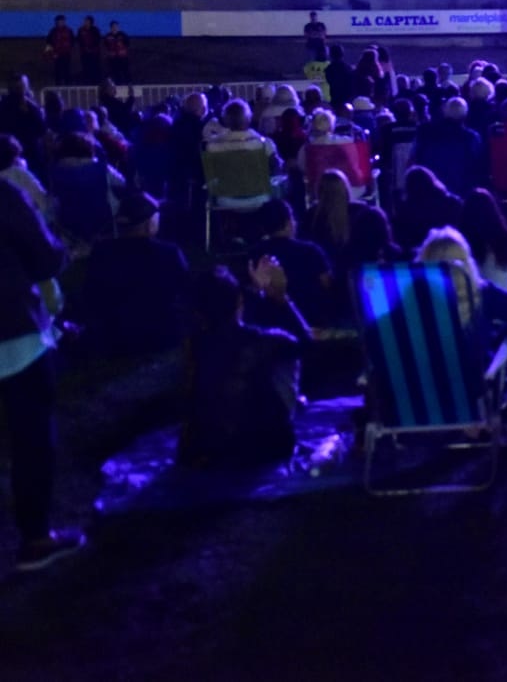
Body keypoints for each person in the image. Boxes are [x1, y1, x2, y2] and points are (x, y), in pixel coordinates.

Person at [0, 177, 82, 571]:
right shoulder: (4, 195)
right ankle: (35, 538)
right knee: (30, 435)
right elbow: (45, 256)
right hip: (11, 331)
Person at [179, 263, 307, 468]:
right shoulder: (274, 342)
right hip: (266, 448)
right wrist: (281, 298)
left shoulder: (194, 348)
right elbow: (305, 344)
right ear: (239, 300)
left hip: (206, 452)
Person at [80, 191, 191, 354]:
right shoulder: (169, 253)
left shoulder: (102, 252)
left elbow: (91, 295)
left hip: (114, 338)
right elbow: (186, 290)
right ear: (150, 224)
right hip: (161, 336)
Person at [252, 198, 335, 330]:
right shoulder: (310, 251)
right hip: (312, 322)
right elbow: (328, 285)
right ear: (289, 222)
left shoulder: (257, 254)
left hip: (272, 324)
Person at [44, 15, 73, 86]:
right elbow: (48, 42)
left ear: (64, 22)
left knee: (66, 69)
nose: (60, 23)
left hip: (66, 53)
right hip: (56, 54)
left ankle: (67, 84)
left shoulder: (69, 31)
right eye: (58, 21)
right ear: (56, 22)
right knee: (57, 70)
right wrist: (50, 52)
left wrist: (69, 49)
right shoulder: (53, 31)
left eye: (61, 21)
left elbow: (72, 41)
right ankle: (58, 85)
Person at [102, 20, 131, 84]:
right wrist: (108, 53)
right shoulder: (108, 36)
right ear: (111, 27)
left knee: (124, 71)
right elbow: (105, 45)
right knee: (114, 72)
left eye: (116, 26)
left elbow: (127, 43)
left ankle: (126, 84)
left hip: (122, 57)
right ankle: (115, 85)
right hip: (112, 58)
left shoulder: (122, 35)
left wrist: (124, 51)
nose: (115, 28)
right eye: (113, 26)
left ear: (118, 27)